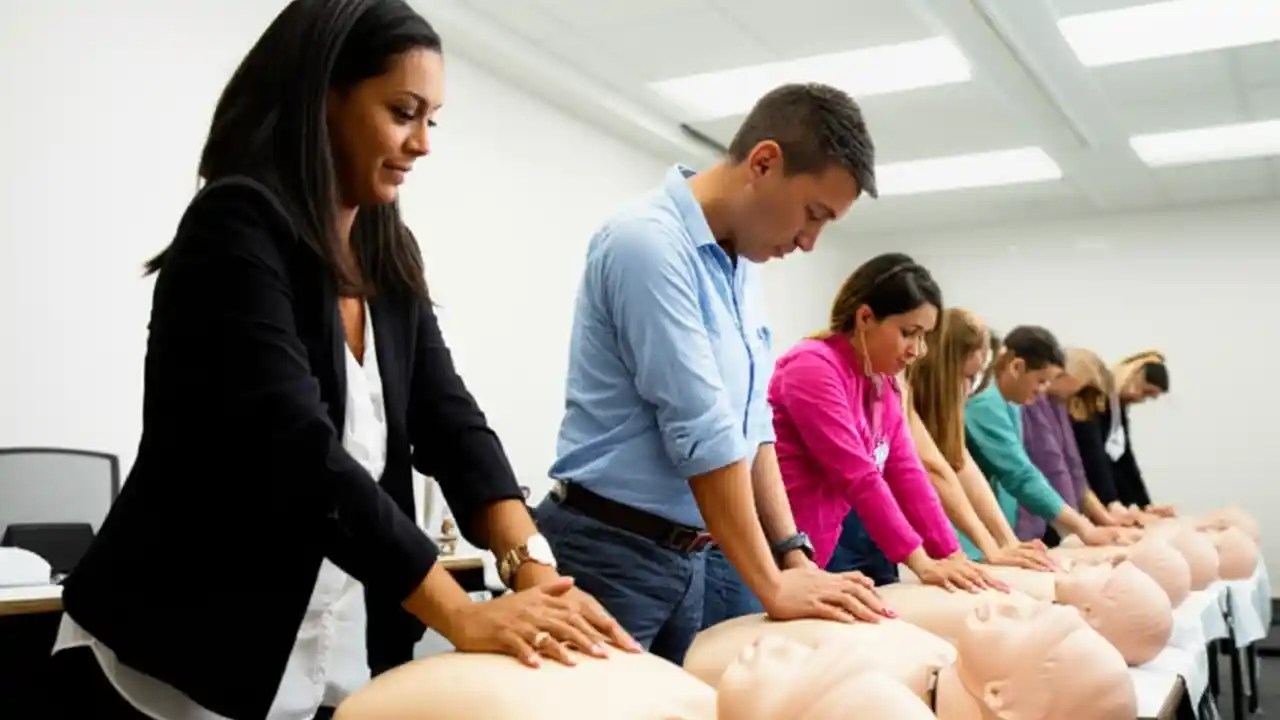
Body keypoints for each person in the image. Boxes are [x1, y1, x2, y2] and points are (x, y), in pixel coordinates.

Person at [48, 2, 633, 718]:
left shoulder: (387, 258)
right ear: (324, 96)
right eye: (402, 111)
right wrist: (462, 615)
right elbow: (298, 455)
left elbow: (453, 425)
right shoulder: (234, 230)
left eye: (431, 119)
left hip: (320, 666)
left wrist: (533, 571)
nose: (422, 143)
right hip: (173, 666)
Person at [537, 82, 888, 663]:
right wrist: (773, 585)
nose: (808, 241)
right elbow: (703, 434)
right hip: (610, 553)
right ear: (764, 163)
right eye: (813, 214)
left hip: (689, 558)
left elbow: (752, 429)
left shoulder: (738, 264)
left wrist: (792, 553)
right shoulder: (647, 244)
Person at [770, 254, 995, 591]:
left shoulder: (883, 384)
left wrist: (952, 555)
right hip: (763, 556)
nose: (918, 351)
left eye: (924, 337)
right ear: (865, 317)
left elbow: (907, 471)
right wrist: (920, 562)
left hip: (809, 558)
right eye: (909, 333)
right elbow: (858, 476)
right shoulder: (812, 367)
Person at [904, 308, 1054, 570]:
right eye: (967, 376)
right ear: (942, 367)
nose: (968, 388)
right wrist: (990, 547)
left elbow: (960, 463)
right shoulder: (902, 396)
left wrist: (1006, 542)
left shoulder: (941, 415)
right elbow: (935, 469)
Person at [964, 327, 1130, 548]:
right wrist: (1084, 528)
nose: (1043, 391)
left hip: (995, 535)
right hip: (969, 539)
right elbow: (1020, 474)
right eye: (1041, 381)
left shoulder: (1011, 403)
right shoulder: (985, 403)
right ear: (1016, 367)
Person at [1021, 350, 1132, 546]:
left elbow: (1074, 468)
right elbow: (1049, 464)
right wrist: (1082, 528)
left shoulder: (1058, 404)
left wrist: (1105, 521)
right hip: (1037, 520)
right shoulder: (1032, 402)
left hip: (1059, 519)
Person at [1071, 350, 1174, 515]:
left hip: (1101, 502)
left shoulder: (1117, 409)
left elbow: (1124, 460)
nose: (1139, 398)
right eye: (1144, 391)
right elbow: (1093, 455)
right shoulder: (1093, 399)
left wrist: (1144, 505)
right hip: (1081, 496)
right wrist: (1111, 502)